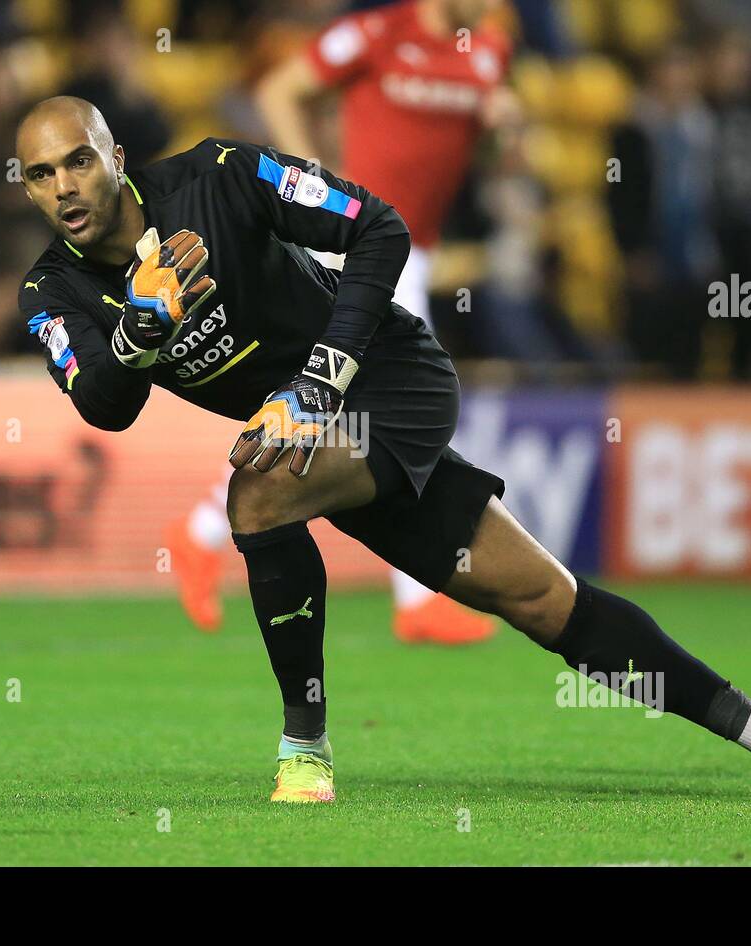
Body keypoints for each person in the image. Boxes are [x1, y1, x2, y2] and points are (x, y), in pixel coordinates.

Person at [13, 96, 751, 805]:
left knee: (256, 496)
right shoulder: (53, 290)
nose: (64, 186)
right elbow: (103, 403)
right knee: (547, 601)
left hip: (391, 383)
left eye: (79, 159)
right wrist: (139, 332)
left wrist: (319, 381)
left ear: (117, 156)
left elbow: (380, 227)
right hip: (315, 436)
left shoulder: (221, 175)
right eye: (41, 175)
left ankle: (304, 752)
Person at [168, 0, 520, 644]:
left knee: (351, 408)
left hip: (419, 248)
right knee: (388, 405)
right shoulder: (379, 32)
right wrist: (320, 186)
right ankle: (415, 598)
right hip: (360, 243)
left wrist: (502, 129)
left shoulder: (490, 50)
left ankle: (198, 533)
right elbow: (279, 90)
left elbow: (489, 156)